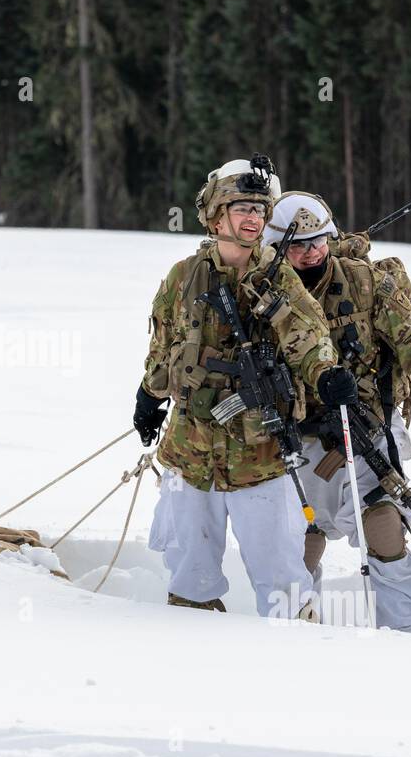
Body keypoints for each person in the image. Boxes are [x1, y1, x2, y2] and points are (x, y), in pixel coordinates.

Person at [136, 156, 355, 617]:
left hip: (260, 454)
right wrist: (149, 396)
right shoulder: (184, 276)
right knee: (189, 576)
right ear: (216, 216)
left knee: (284, 584)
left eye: (260, 210)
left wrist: (325, 373)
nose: (254, 219)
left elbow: (309, 337)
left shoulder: (278, 276)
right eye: (243, 209)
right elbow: (165, 345)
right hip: (190, 451)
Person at [263, 190, 411, 629]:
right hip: (295, 437)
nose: (310, 253)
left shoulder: (364, 283)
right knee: (300, 541)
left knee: (383, 525)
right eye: (298, 246)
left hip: (366, 429)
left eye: (318, 241)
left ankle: (404, 631)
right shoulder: (264, 290)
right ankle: (291, 630)